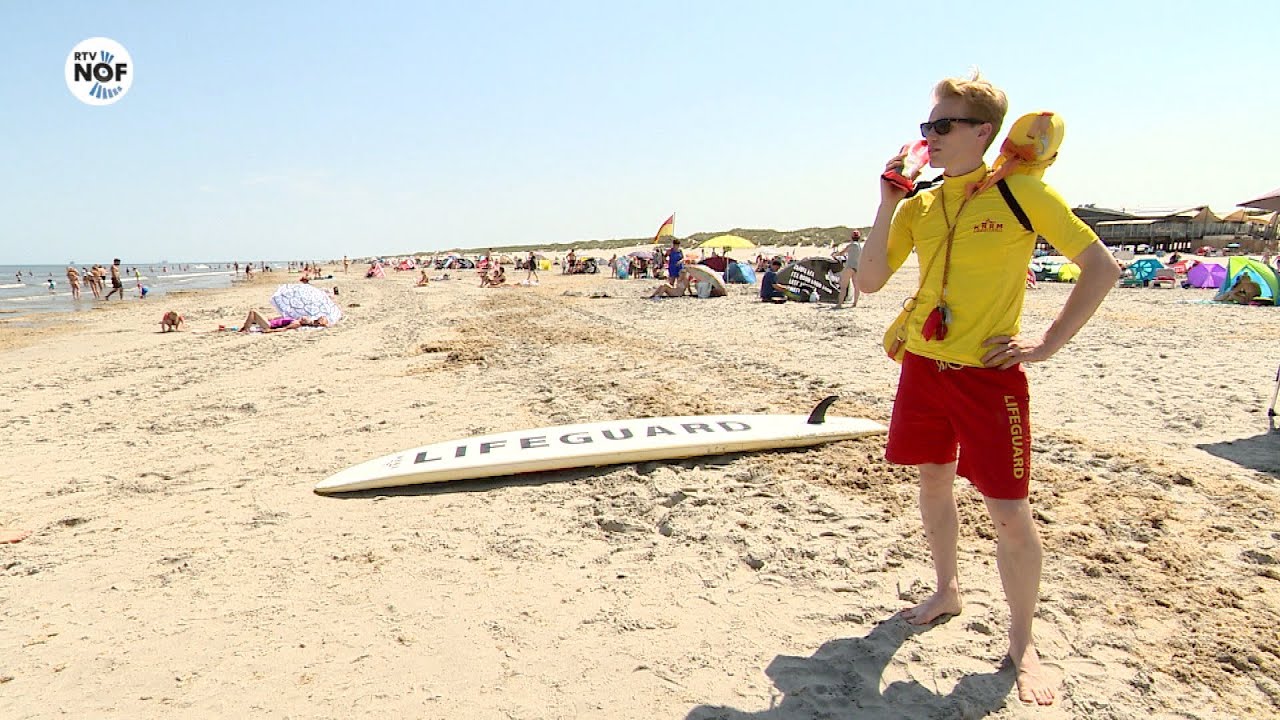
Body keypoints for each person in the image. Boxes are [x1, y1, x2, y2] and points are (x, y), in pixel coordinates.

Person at [856, 72, 1121, 706]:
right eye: (927, 127)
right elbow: (867, 281)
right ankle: (947, 589)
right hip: (922, 365)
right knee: (932, 482)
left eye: (943, 126)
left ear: (983, 132)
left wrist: (1044, 344)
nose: (931, 137)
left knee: (1008, 512)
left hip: (987, 378)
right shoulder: (921, 205)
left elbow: (1101, 269)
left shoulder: (1024, 194)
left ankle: (1023, 644)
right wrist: (889, 199)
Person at [836, 230, 863, 308]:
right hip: (857, 267)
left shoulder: (851, 245)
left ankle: (839, 304)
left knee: (843, 286)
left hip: (849, 267)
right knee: (856, 287)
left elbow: (841, 253)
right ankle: (855, 303)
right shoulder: (860, 246)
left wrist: (835, 254)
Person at [236, 310, 328, 333]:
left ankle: (245, 329)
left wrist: (270, 331)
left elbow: (284, 329)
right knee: (254, 315)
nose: (304, 317)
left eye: (306, 319)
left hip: (269, 326)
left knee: (253, 312)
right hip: (270, 322)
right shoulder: (296, 320)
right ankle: (245, 327)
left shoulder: (296, 323)